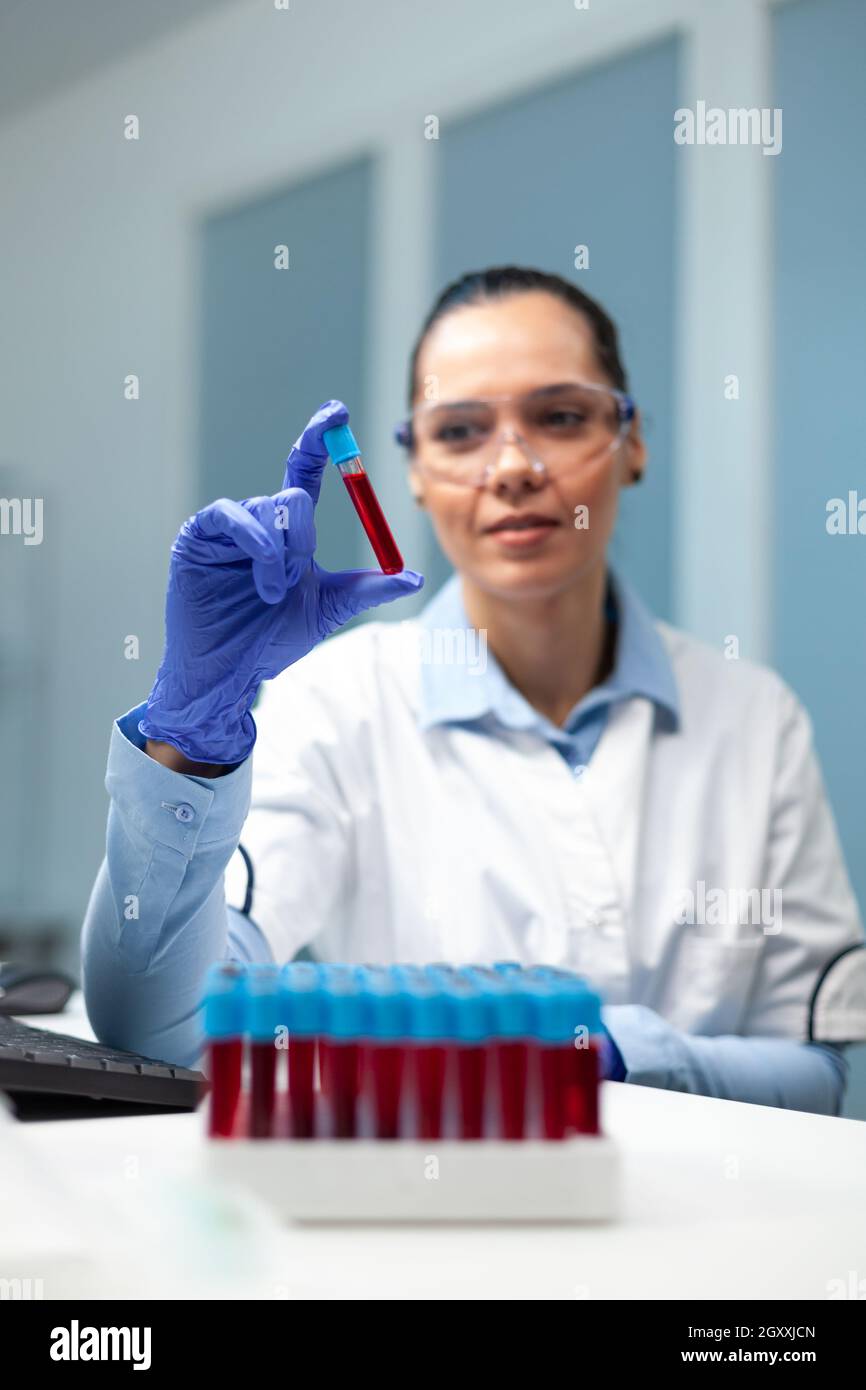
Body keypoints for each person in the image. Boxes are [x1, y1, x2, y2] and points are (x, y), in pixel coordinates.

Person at [81, 265, 866, 1112]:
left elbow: (822, 1073)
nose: (513, 468)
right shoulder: (340, 703)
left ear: (631, 441)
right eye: (459, 431)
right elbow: (162, 1033)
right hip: (424, 1222)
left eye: (560, 417)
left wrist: (623, 1055)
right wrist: (193, 733)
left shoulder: (755, 719)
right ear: (414, 471)